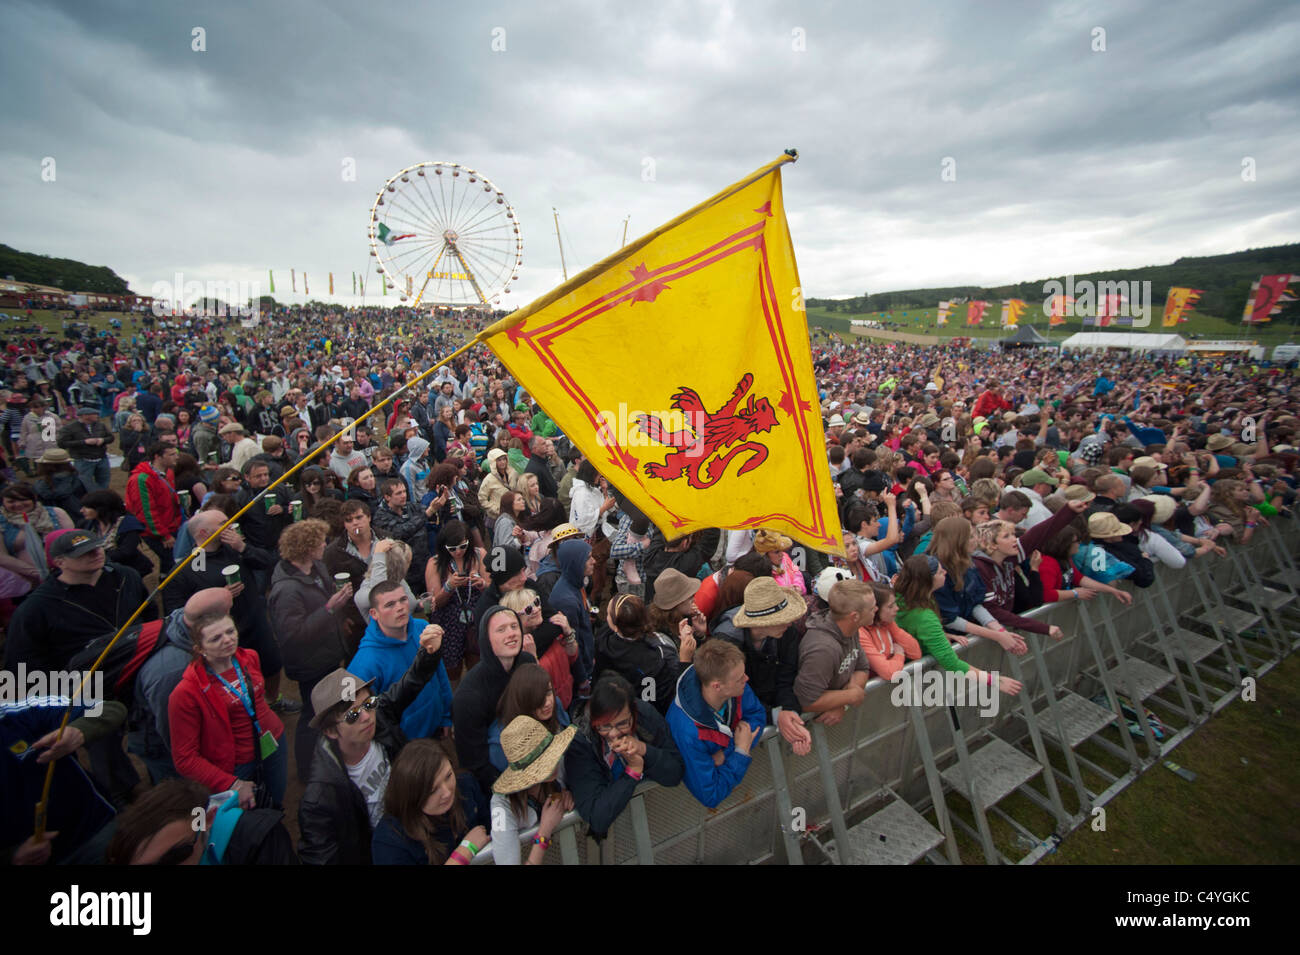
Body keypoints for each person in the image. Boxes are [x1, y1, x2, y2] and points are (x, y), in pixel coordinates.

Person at [297, 624, 446, 865]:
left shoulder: (381, 717)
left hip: (411, 827)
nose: (367, 716)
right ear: (330, 731)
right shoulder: (321, 798)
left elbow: (410, 683)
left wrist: (428, 654)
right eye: (353, 715)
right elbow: (320, 857)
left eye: (368, 704)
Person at [267, 519, 362, 779]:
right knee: (313, 714)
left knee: (328, 707)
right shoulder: (286, 590)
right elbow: (292, 635)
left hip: (327, 653)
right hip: (309, 663)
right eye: (319, 542)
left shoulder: (315, 567)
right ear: (305, 548)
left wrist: (341, 618)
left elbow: (325, 600)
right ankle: (308, 769)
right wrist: (330, 608)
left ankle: (327, 752)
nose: (325, 544)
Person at [168, 609, 288, 807]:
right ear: (200, 649)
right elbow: (184, 758)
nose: (227, 640)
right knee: (247, 819)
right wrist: (231, 783)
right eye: (215, 638)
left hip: (273, 742)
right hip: (237, 764)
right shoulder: (186, 693)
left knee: (275, 802)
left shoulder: (249, 657)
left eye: (230, 632)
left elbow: (256, 699)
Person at [2, 695, 126, 865]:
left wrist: (78, 730)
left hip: (94, 831)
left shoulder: (20, 713)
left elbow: (109, 708)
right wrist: (11, 855)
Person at [565, 672, 685, 840]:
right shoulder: (580, 740)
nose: (613, 734)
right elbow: (597, 816)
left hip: (649, 823)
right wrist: (633, 771)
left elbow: (675, 773)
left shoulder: (645, 715)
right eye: (604, 726)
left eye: (622, 724)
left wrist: (644, 750)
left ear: (633, 713)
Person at [893, 555, 1022, 695]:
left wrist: (943, 634)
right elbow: (951, 663)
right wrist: (995, 681)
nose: (945, 573)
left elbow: (911, 629)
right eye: (940, 572)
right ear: (928, 580)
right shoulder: (924, 617)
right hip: (913, 683)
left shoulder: (903, 598)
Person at [348, 579, 454, 743]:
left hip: (436, 726)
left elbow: (439, 672)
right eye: (390, 604)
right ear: (374, 614)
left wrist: (447, 715)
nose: (400, 607)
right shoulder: (364, 664)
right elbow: (368, 718)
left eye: (403, 600)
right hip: (405, 743)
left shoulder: (422, 628)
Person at [666, 638, 767, 809]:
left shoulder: (735, 686)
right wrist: (741, 752)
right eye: (740, 678)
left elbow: (757, 715)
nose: (747, 679)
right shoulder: (687, 731)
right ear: (717, 686)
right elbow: (711, 794)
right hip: (685, 811)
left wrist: (727, 753)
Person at [453, 605, 538, 791]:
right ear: (486, 639)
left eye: (514, 627)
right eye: (501, 630)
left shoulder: (527, 662)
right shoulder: (469, 696)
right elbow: (474, 761)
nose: (511, 634)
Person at [371, 738, 491, 865]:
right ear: (411, 795)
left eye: (448, 776)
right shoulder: (389, 840)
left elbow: (490, 826)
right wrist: (466, 850)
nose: (447, 793)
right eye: (433, 790)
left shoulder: (465, 784)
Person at [489, 715, 577, 865]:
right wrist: (544, 832)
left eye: (552, 753)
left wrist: (574, 794)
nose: (554, 761)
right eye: (545, 762)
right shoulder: (501, 805)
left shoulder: (561, 764)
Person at [594, 592, 686, 715]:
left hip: (612, 706)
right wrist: (686, 659)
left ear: (615, 627)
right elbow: (669, 688)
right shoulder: (658, 656)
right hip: (648, 711)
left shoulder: (602, 642)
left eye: (608, 615)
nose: (606, 618)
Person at [794, 578, 873, 717]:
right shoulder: (822, 649)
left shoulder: (851, 629)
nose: (876, 610)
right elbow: (806, 701)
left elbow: (862, 668)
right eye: (872, 608)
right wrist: (850, 696)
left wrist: (844, 702)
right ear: (854, 616)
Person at [422, 519, 489, 678]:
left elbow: (492, 586)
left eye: (463, 546)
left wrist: (481, 583)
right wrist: (449, 587)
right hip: (449, 622)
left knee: (478, 663)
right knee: (451, 669)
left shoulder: (479, 555)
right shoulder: (435, 563)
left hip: (476, 618)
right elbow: (434, 603)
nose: (458, 552)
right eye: (452, 548)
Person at [125, 441, 184, 573]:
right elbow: (146, 512)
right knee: (172, 562)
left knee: (170, 562)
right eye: (172, 454)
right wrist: (164, 535)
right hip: (157, 532)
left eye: (176, 453)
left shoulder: (168, 472)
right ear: (158, 457)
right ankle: (169, 589)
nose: (176, 457)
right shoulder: (141, 479)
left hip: (172, 525)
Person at [857, 580, 923, 680]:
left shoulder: (886, 622)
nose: (897, 608)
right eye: (890, 606)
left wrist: (892, 627)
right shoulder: (861, 633)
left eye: (895, 603)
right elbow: (889, 673)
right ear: (875, 609)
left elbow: (916, 653)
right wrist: (899, 654)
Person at [78, 488, 151, 577]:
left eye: (87, 507)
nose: (81, 510)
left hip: (127, 570)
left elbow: (126, 552)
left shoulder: (128, 524)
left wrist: (94, 557)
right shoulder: (87, 524)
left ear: (101, 508)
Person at [58, 404, 113, 491]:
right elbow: (62, 444)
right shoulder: (69, 428)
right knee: (84, 484)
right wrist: (84, 442)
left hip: (101, 458)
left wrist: (102, 440)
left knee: (104, 482)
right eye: (94, 414)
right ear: (85, 416)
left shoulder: (100, 425)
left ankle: (103, 499)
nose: (97, 416)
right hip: (82, 460)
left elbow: (110, 437)